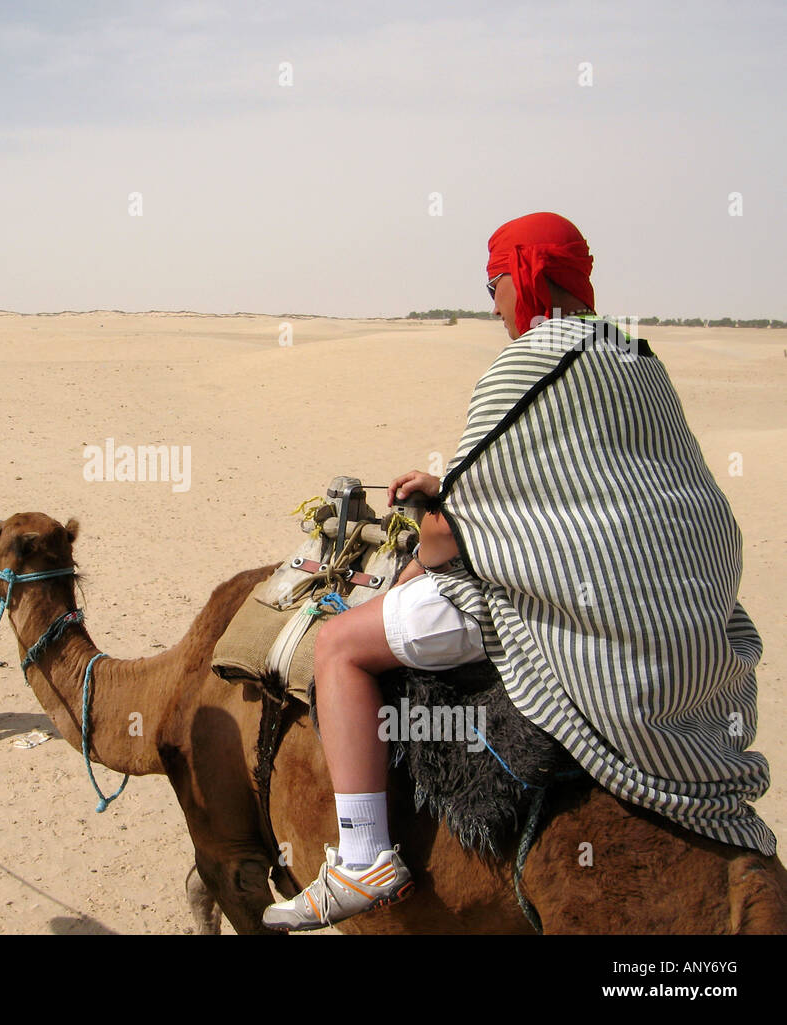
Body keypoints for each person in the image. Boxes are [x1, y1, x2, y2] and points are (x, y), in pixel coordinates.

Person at [263, 212, 773, 931]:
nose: (493, 300)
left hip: (569, 607)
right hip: (675, 609)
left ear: (526, 275)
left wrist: (439, 511)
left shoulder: (529, 361)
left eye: (495, 280)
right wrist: (458, 494)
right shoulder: (636, 357)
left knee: (338, 643)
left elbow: (447, 542)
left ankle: (363, 856)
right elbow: (595, 495)